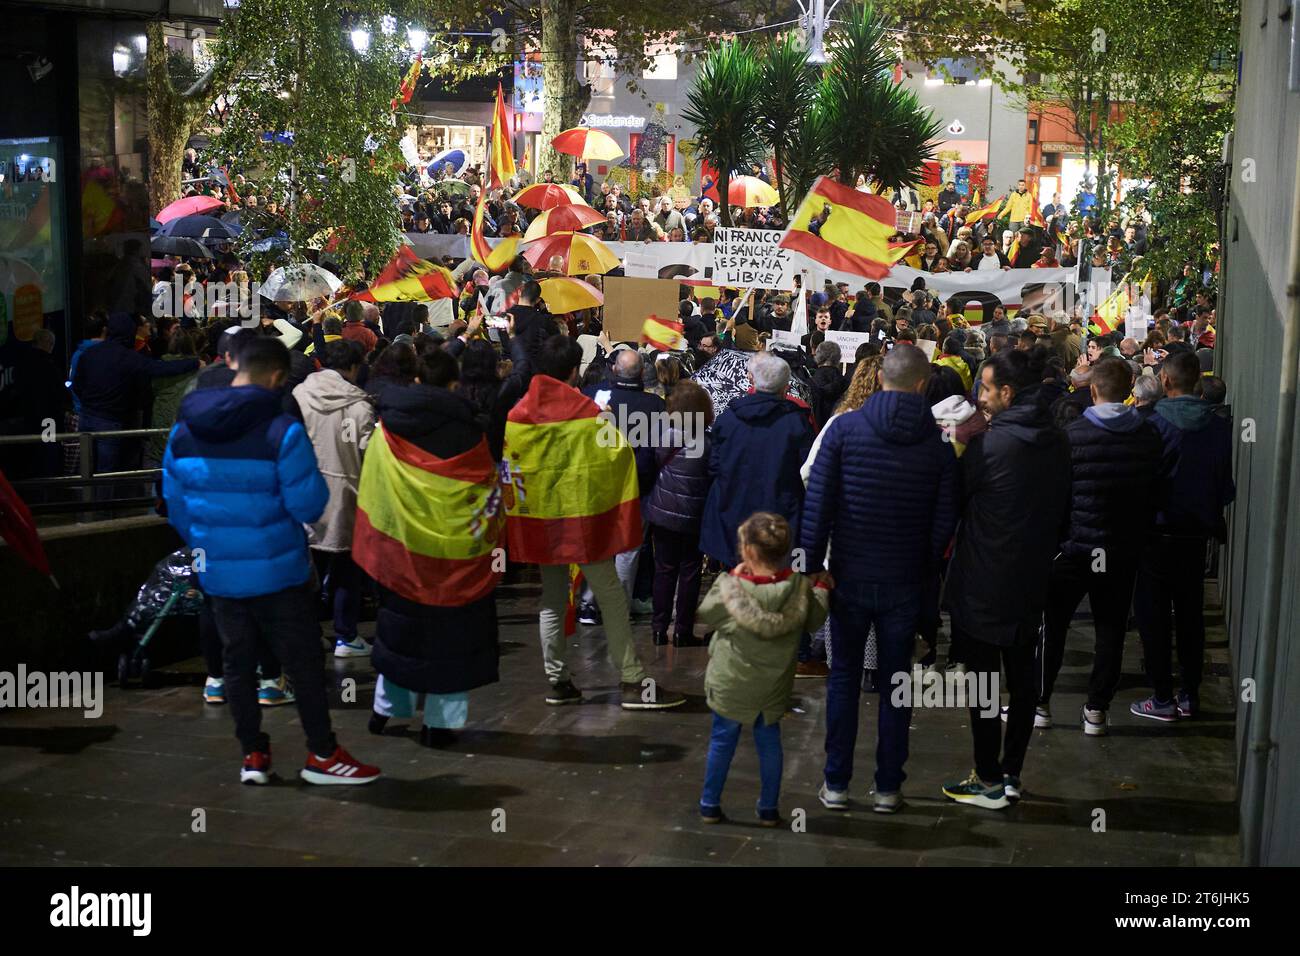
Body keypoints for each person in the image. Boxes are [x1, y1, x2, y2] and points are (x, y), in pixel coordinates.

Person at [163, 336, 380, 786]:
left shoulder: (183, 431)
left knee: (237, 666)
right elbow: (308, 504)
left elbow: (175, 502)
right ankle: (322, 754)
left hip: (218, 571)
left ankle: (253, 757)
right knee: (302, 664)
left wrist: (208, 540)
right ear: (278, 377)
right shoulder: (281, 430)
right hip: (278, 571)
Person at [801, 345, 959, 813]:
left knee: (844, 678)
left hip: (848, 574)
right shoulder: (937, 444)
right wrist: (926, 566)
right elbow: (944, 515)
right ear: (921, 384)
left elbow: (819, 503)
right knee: (896, 684)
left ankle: (835, 783)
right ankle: (889, 787)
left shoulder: (844, 430)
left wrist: (813, 565)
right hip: (905, 581)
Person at [503, 335, 686, 710]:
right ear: (574, 371)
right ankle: (633, 680)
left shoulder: (517, 415)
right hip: (583, 518)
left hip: (540, 517)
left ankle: (557, 680)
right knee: (613, 597)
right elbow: (617, 458)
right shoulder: (589, 415)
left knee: (552, 598)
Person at [941, 348, 1069, 809]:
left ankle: (988, 776)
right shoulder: (1056, 439)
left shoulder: (989, 446)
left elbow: (954, 499)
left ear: (1007, 392)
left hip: (982, 581)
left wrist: (952, 445)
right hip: (1032, 578)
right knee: (1022, 680)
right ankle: (1011, 772)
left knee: (982, 683)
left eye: (986, 388)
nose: (981, 396)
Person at [357, 348, 502, 747]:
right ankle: (439, 725)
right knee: (452, 640)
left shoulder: (389, 426)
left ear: (417, 381)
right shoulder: (472, 431)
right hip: (457, 557)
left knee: (400, 631)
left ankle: (386, 709)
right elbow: (485, 493)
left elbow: (376, 482)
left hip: (401, 551)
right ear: (454, 384)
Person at [1035, 358, 1168, 736]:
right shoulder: (1147, 436)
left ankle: (1040, 703)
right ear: (1128, 390)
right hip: (1120, 550)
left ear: (1092, 389)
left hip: (1074, 548)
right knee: (1110, 630)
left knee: (1053, 625)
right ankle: (1096, 709)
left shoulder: (1071, 435)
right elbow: (1155, 491)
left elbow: (1055, 495)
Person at [696, 512, 830, 825]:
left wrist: (733, 576)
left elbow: (708, 613)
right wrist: (821, 588)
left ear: (749, 552)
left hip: (731, 683)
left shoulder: (731, 589)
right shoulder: (797, 589)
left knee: (722, 740)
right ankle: (768, 808)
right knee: (770, 743)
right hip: (773, 686)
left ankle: (710, 804)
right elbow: (815, 619)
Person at [1131, 351, 1235, 722]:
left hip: (1156, 535)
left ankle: (1161, 697)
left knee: (1154, 617)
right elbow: (1225, 487)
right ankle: (1190, 694)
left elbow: (1142, 482)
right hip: (1197, 538)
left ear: (1167, 382)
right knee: (1191, 616)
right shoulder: (1220, 427)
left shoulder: (1152, 424)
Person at [293, 339, 376, 659]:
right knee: (346, 571)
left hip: (306, 493)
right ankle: (346, 636)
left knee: (307, 571)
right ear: (355, 367)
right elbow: (367, 453)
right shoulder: (359, 406)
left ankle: (310, 633)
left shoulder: (300, 394)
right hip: (345, 497)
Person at [700, 352, 814, 571]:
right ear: (785, 387)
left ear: (753, 379)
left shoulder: (727, 419)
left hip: (732, 511)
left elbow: (714, 465)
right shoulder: (797, 424)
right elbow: (806, 472)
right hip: (777, 516)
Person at [644, 381, 715, 647]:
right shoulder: (708, 442)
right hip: (695, 516)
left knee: (663, 569)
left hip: (662, 512)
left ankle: (659, 629)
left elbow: (649, 466)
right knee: (690, 572)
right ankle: (683, 631)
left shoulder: (659, 434)